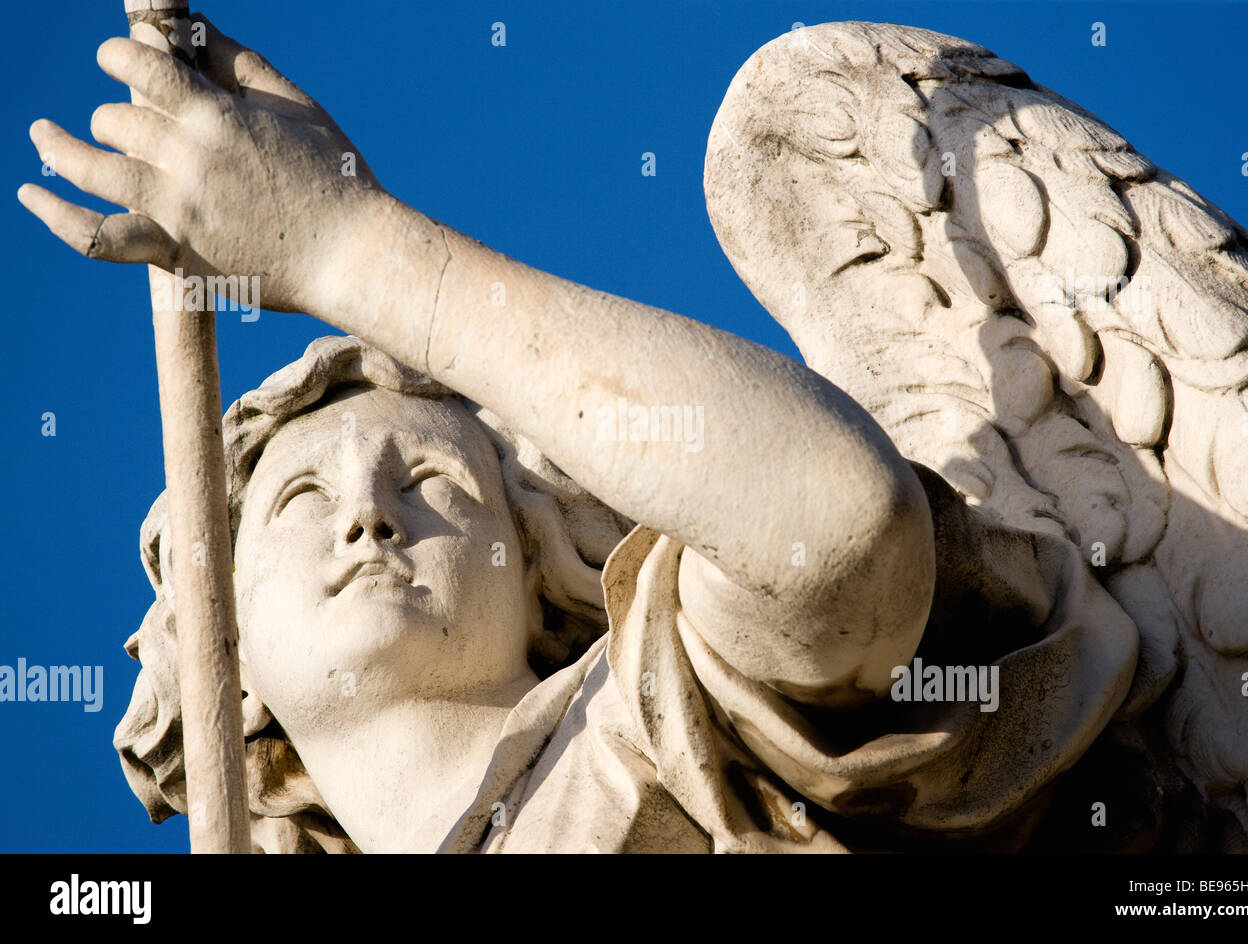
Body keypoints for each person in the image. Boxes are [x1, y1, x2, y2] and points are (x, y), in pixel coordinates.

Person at [23, 18, 1161, 852]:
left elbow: (834, 529)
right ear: (222, 648)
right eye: (298, 500)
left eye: (436, 480)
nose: (369, 513)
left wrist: (347, 252)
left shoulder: (648, 720)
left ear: (544, 568)